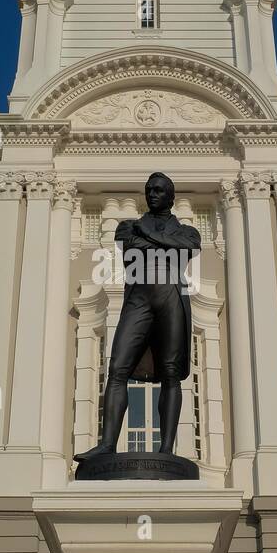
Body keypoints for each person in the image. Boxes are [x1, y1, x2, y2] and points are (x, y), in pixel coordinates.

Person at [75, 172, 200, 459]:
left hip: (172, 296)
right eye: (149, 190)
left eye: (159, 190)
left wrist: (149, 238)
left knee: (171, 374)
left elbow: (189, 246)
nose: (153, 194)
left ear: (171, 196)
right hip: (138, 299)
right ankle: (107, 445)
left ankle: (167, 450)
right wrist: (166, 242)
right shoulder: (127, 227)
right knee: (118, 368)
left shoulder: (186, 232)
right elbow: (132, 246)